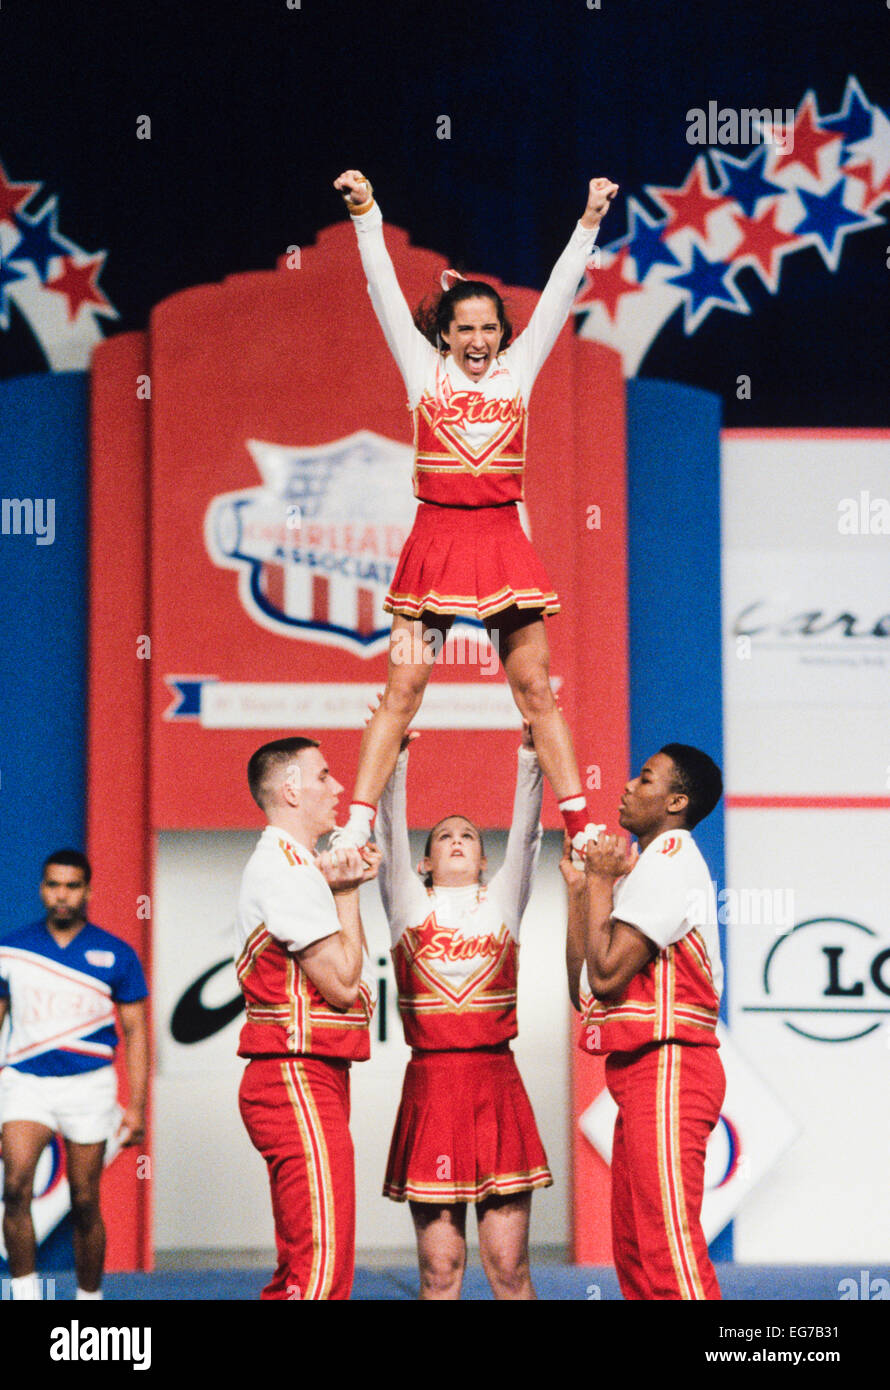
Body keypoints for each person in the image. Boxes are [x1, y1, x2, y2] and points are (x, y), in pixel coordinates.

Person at [330, 168, 618, 862]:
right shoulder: (422, 371)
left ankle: (581, 828)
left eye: (490, 328)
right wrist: (367, 211)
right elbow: (384, 293)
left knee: (534, 692)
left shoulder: (519, 373)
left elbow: (557, 296)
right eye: (467, 328)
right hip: (434, 544)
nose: (480, 339)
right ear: (445, 332)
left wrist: (589, 221)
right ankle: (356, 825)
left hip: (501, 544)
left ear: (502, 333)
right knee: (401, 690)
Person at [376, 722, 550, 1299]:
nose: (455, 840)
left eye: (469, 837)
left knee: (508, 1268)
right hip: (432, 1084)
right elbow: (388, 835)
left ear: (483, 861)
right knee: (440, 1271)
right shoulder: (406, 903)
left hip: (495, 1083)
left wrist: (531, 756)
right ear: (422, 864)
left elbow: (525, 837)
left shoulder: (502, 902)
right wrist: (392, 762)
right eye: (444, 836)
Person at [562, 745, 725, 1301]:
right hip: (639, 1074)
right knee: (634, 1249)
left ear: (676, 801)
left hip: (672, 1067)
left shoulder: (672, 856)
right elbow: (584, 990)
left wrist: (603, 884)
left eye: (646, 778)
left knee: (666, 1248)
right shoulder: (646, 870)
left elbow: (606, 976)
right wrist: (583, 892)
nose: (628, 785)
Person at [235, 736, 380, 1300]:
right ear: (291, 789)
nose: (338, 786)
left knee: (304, 1262)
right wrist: (345, 891)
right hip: (293, 1076)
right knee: (319, 1267)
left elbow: (346, 968)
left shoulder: (297, 866)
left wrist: (342, 887)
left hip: (309, 1075)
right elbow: (344, 984)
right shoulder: (286, 871)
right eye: (324, 776)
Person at [0, 849, 149, 1301]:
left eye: (71, 886)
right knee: (15, 1186)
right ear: (42, 889)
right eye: (53, 885)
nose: (61, 895)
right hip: (26, 1084)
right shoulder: (12, 950)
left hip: (90, 1086)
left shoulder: (118, 954)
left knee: (84, 1200)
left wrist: (137, 1105)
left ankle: (89, 1299)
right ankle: (24, 1295)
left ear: (87, 890)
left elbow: (136, 1031)